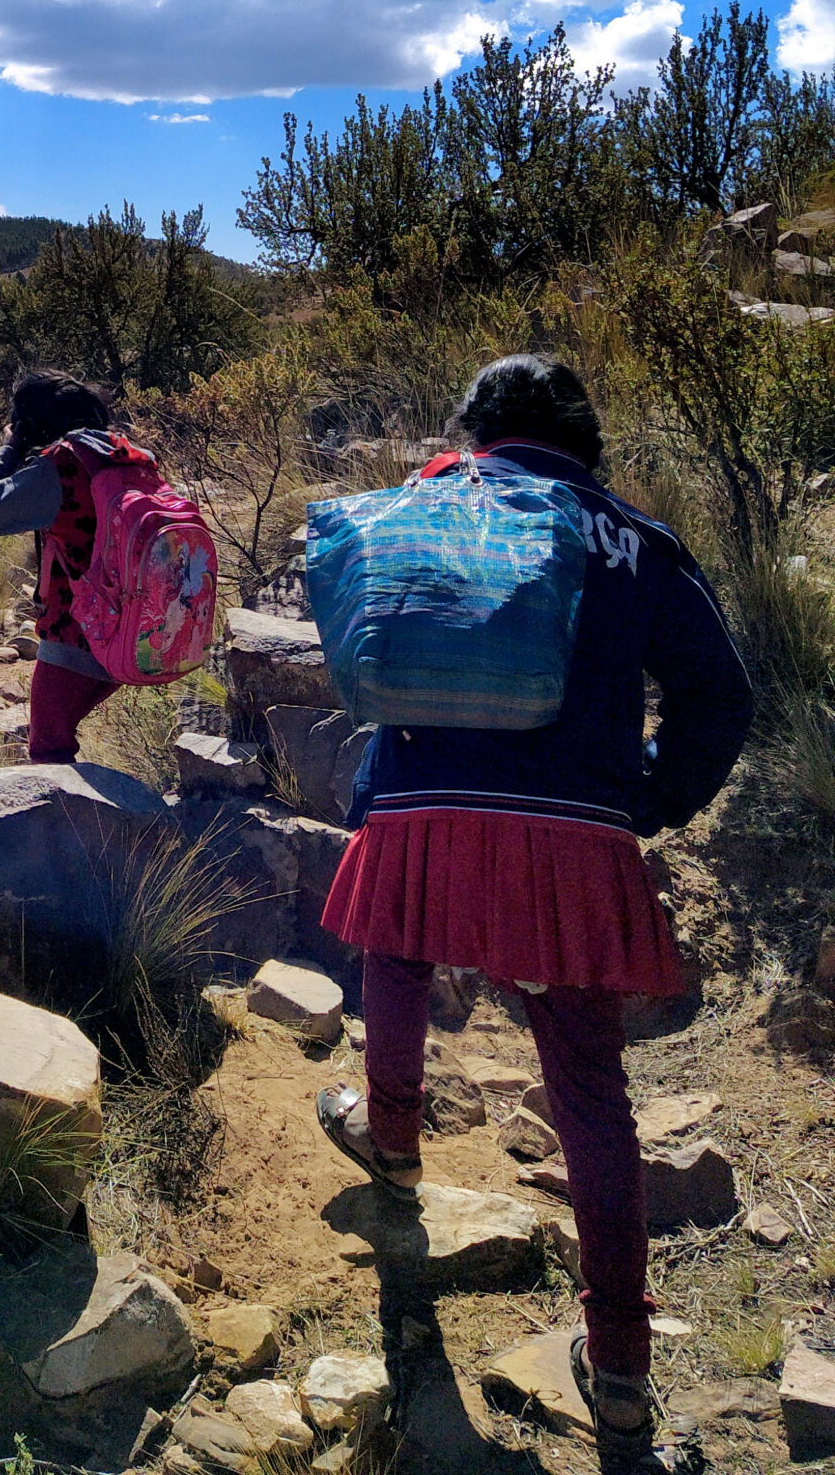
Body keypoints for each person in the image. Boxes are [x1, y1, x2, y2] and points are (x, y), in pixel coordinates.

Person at [316, 355, 751, 1475]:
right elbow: (722, 696)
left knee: (396, 952)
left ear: (475, 429)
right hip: (569, 836)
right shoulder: (633, 538)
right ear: (585, 441)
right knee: (589, 1086)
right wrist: (645, 797)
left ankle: (393, 1144)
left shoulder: (426, 502)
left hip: (416, 807)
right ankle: (622, 1378)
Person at [0, 368, 157, 762]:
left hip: (78, 635)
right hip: (142, 627)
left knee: (48, 750)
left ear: (31, 423)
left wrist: (10, 449)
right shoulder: (131, 455)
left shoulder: (61, 466)